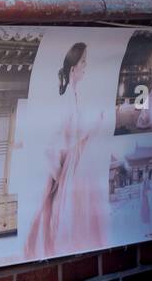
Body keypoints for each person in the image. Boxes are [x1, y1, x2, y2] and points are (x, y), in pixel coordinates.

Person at [25, 43, 109, 258]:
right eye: (83, 62)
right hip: (71, 167)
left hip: (76, 165)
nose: (86, 66)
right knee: (69, 219)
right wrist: (61, 175)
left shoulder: (75, 95)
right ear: (73, 69)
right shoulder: (67, 100)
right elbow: (53, 143)